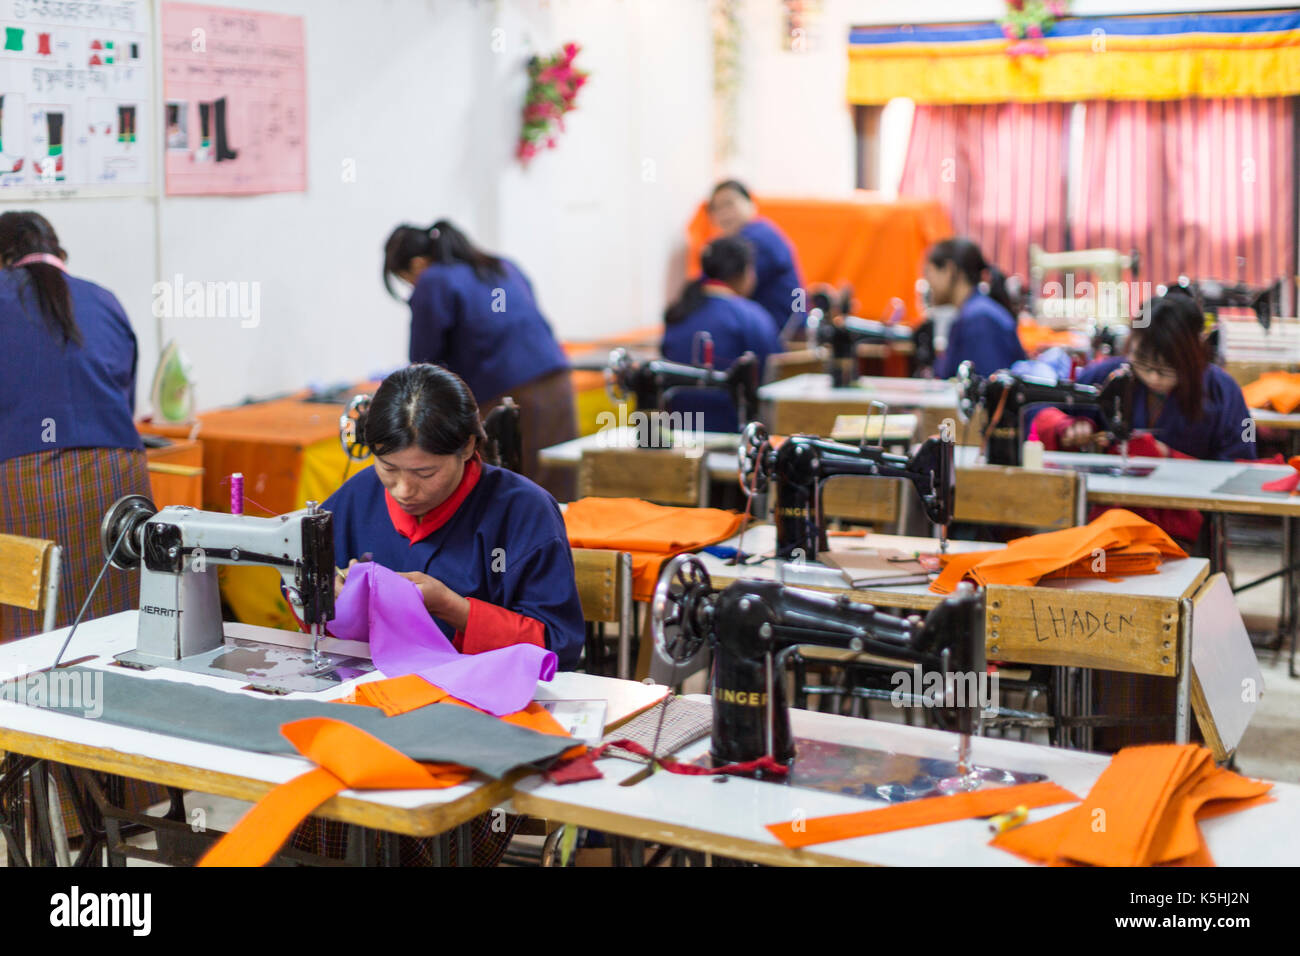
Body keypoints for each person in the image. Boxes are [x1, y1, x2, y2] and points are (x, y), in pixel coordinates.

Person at [295, 363, 585, 865]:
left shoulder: (523, 512)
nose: (404, 489)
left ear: (469, 447)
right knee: (314, 812)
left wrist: (454, 608)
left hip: (483, 726)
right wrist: (324, 596)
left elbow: (558, 643)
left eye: (424, 473)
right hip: (374, 712)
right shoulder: (356, 499)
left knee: (423, 825)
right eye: (390, 470)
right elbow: (312, 610)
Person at [1031, 293, 1256, 750]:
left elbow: (1245, 465)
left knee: (1177, 619)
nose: (1152, 379)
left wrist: (1174, 458)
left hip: (1181, 544)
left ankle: (1182, 739)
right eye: (1144, 364)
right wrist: (1063, 427)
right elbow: (1042, 408)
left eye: (1165, 370)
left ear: (1194, 355)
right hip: (1108, 541)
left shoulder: (1222, 392)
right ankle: (1104, 731)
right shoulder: (1107, 376)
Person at [0, 210, 150, 641]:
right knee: (120, 622)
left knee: (33, 631)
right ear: (58, 252)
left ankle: (34, 705)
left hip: (27, 481)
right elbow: (124, 396)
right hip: (121, 481)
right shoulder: (104, 299)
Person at [382, 220, 576, 499]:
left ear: (417, 264)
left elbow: (424, 365)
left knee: (504, 491)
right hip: (555, 380)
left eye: (405, 279)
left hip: (505, 393)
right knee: (556, 486)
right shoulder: (501, 265)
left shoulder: (433, 280)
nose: (412, 286)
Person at [661, 237, 783, 433]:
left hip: (678, 430)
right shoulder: (750, 316)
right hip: (729, 429)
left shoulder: (680, 310)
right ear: (743, 272)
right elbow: (774, 373)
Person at [707, 180, 805, 335]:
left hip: (786, 334)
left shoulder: (759, 237)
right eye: (716, 208)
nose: (723, 213)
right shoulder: (738, 241)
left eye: (729, 203)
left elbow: (721, 289)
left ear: (751, 204)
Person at [927, 238, 1026, 379]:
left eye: (929, 272)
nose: (928, 282)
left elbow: (989, 390)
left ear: (950, 270)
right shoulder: (974, 314)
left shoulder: (979, 320)